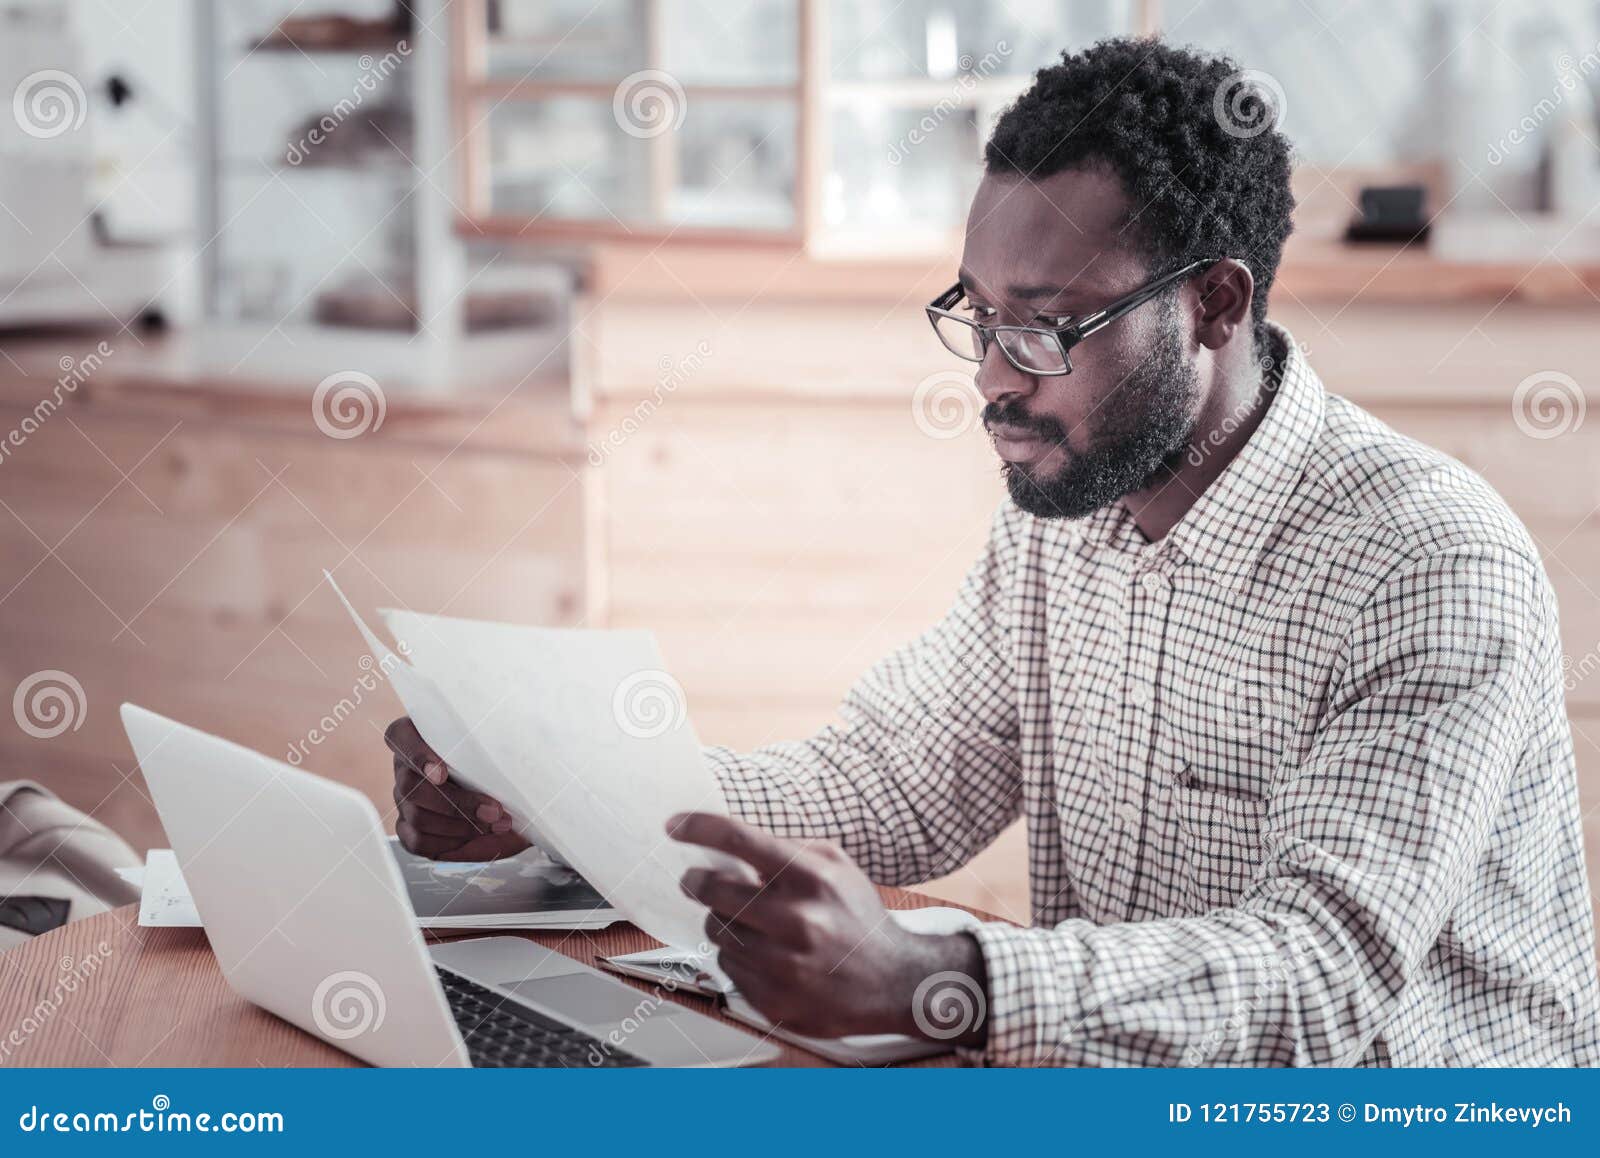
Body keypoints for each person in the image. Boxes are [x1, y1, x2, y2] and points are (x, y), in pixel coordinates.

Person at [385, 37, 1600, 1066]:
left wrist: (935, 979)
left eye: (1049, 327)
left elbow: (1320, 979)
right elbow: (892, 784)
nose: (992, 381)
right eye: (978, 315)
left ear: (1215, 305)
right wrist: (548, 796)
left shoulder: (1428, 566)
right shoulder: (1067, 516)